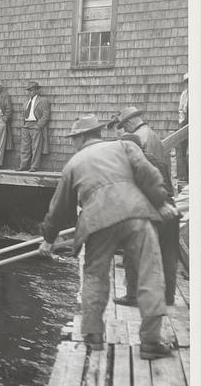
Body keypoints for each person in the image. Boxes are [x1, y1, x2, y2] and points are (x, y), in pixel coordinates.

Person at [38, 114, 178, 360]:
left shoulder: (73, 164)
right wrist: (161, 201)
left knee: (95, 277)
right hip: (136, 213)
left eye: (73, 138)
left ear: (81, 137)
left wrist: (48, 238)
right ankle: (150, 343)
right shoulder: (124, 145)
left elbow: (59, 208)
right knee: (150, 274)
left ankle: (93, 337)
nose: (73, 143)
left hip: (97, 221)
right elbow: (149, 174)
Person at [110, 106, 180, 307]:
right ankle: (168, 296)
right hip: (171, 209)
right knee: (169, 255)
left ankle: (132, 296)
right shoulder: (156, 158)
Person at [18, 81, 50, 172]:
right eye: (28, 90)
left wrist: (38, 125)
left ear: (37, 90)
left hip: (36, 125)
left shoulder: (43, 100)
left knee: (36, 148)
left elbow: (46, 115)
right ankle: (23, 165)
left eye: (32, 90)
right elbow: (22, 114)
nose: (30, 92)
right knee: (24, 147)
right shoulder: (26, 101)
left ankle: (34, 166)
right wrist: (22, 124)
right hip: (26, 126)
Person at [176, 72, 188, 181]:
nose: (188, 84)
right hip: (185, 123)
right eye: (187, 82)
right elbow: (181, 110)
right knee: (183, 149)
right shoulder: (184, 94)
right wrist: (181, 121)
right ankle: (185, 175)